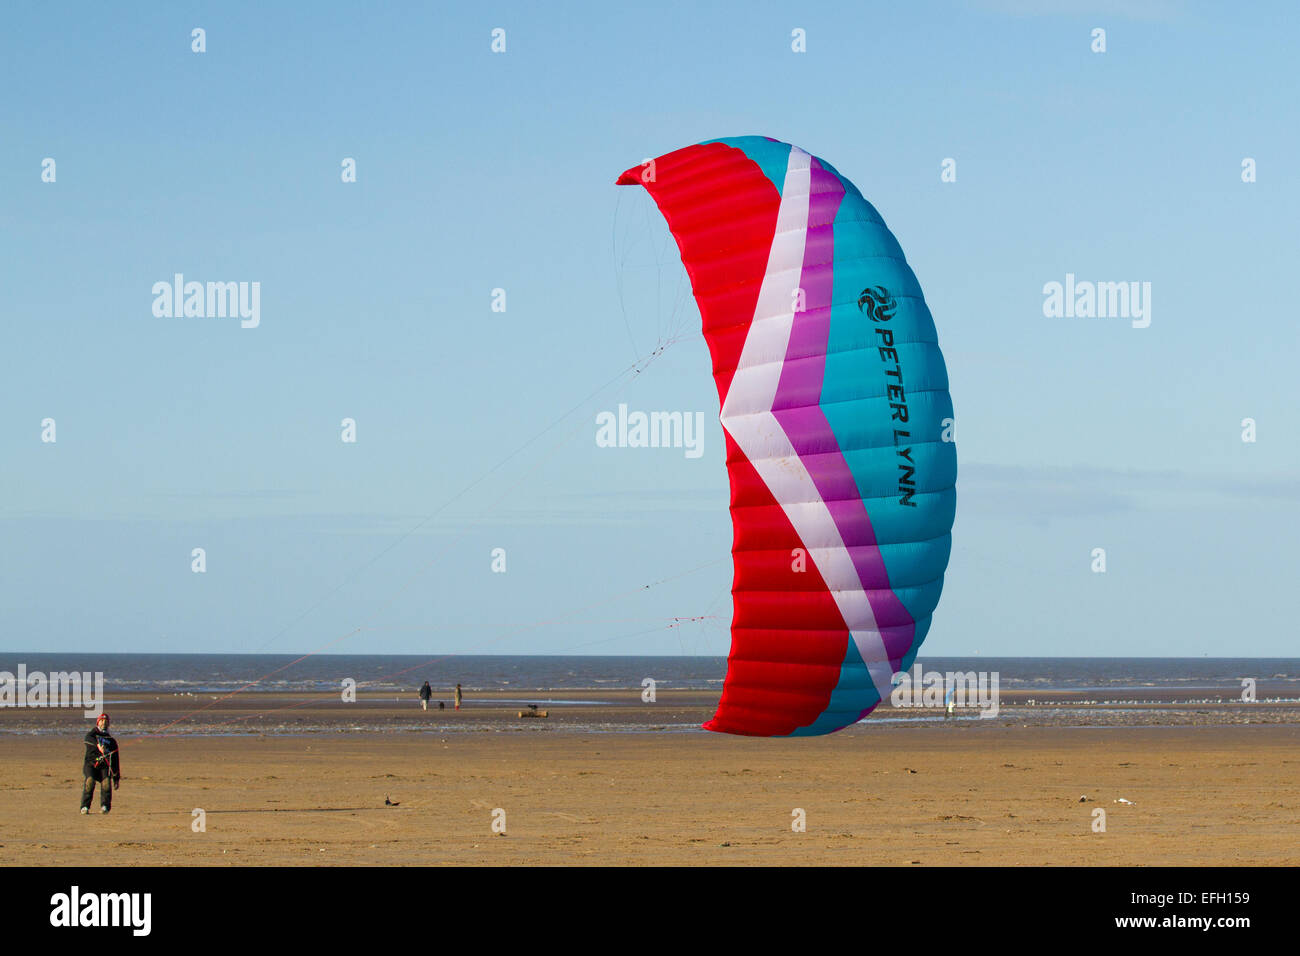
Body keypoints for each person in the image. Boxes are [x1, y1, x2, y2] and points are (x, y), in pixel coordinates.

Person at [81, 713, 120, 814]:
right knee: (90, 781)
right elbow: (87, 740)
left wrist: (116, 777)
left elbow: (115, 760)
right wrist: (98, 746)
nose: (104, 723)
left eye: (106, 721)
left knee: (106, 783)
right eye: (102, 721)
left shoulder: (111, 741)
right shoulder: (91, 735)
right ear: (98, 722)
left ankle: (105, 806)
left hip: (104, 766)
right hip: (91, 764)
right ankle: (85, 806)